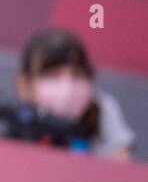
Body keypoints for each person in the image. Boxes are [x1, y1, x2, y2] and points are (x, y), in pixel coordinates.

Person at [12, 28, 135, 160]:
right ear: (24, 84)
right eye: (52, 75)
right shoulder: (16, 122)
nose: (67, 88)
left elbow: (121, 164)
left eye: (77, 75)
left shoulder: (102, 109)